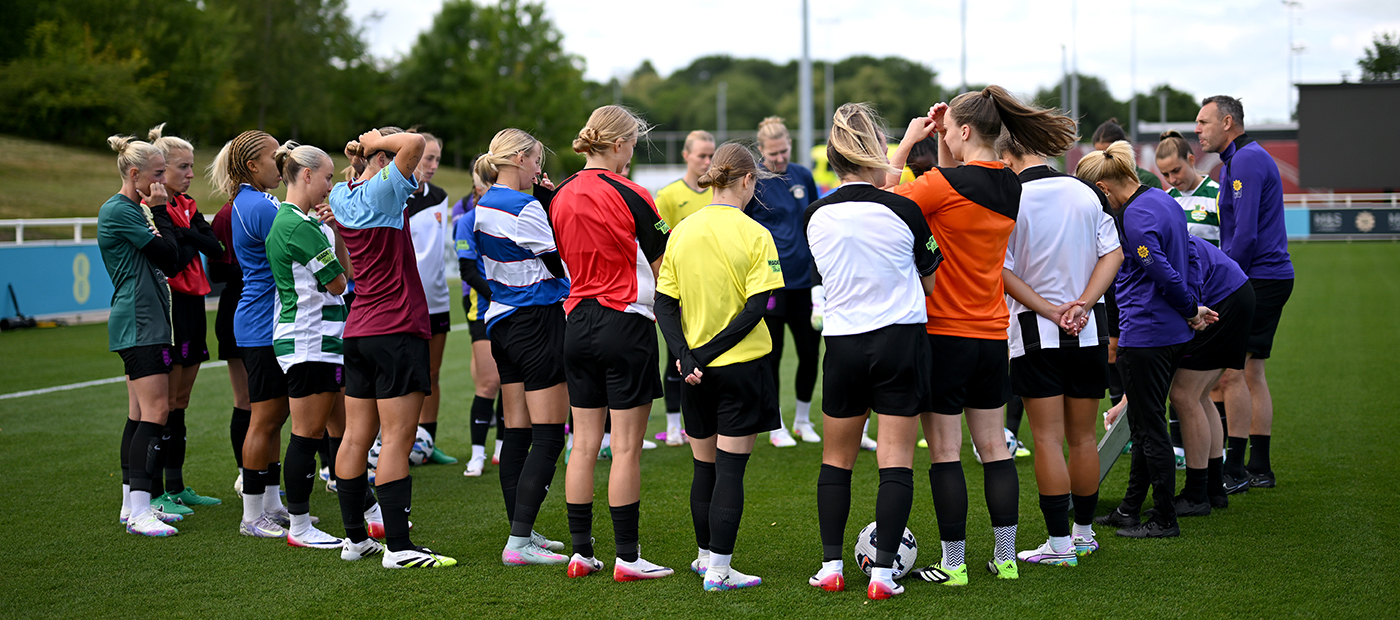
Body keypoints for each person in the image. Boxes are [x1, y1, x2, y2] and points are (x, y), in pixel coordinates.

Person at [884, 86, 1076, 584]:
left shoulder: (941, 187)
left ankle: (954, 566)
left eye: (949, 132)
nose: (943, 137)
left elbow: (881, 201)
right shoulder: (1011, 184)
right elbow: (958, 175)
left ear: (965, 131)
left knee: (946, 453)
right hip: (993, 335)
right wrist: (949, 138)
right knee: (994, 449)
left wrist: (906, 143)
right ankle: (1006, 558)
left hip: (943, 334)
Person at [803, 104, 941, 600]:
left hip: (843, 343)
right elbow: (929, 278)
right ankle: (882, 576)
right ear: (876, 151)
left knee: (836, 460)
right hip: (900, 340)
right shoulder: (905, 208)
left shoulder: (814, 213)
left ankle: (831, 567)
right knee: (895, 460)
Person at [655, 142, 786, 591]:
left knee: (704, 469)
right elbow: (756, 309)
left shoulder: (682, 231)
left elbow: (663, 304)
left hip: (692, 370)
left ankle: (705, 558)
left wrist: (685, 356)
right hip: (740, 368)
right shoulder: (755, 233)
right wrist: (704, 355)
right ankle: (719, 570)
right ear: (748, 180)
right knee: (729, 471)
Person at [551, 105, 673, 581]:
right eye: (634, 144)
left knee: (582, 446)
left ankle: (581, 554)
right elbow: (666, 267)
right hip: (626, 325)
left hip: (577, 325)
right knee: (625, 449)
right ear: (620, 144)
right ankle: (627, 556)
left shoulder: (559, 195)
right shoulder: (633, 193)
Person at [327, 127, 455, 568]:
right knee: (397, 439)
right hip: (397, 329)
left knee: (355, 438)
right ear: (385, 163)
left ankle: (355, 540)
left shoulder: (344, 193)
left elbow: (403, 154)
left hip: (359, 328)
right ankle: (398, 549)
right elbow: (415, 143)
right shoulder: (384, 192)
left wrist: (374, 149)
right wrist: (381, 137)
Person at [996, 131, 1123, 566]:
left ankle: (1058, 545)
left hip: (1036, 335)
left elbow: (1003, 272)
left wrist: (1052, 311)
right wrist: (1083, 303)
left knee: (1047, 439)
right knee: (1083, 438)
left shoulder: (1010, 197)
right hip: (1089, 330)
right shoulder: (1086, 192)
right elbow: (1114, 254)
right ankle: (1082, 535)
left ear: (1008, 156)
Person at [1079, 141, 1216, 539]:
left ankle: (1163, 518)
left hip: (1148, 333)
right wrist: (1191, 309)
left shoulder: (1135, 217)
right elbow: (1188, 258)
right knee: (1142, 423)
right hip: (1168, 331)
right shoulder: (1164, 200)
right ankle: (1130, 509)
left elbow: (1162, 273)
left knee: (1149, 428)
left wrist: (1190, 308)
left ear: (1104, 188)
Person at [472, 128, 571, 566]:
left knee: (517, 431)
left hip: (503, 321)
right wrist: (550, 204)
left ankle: (522, 530)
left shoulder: (484, 203)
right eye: (534, 160)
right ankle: (519, 542)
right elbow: (559, 263)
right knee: (550, 435)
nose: (539, 168)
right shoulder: (525, 206)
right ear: (515, 159)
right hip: (537, 320)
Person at [1195, 95, 1294, 490]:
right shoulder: (1239, 160)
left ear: (1228, 122)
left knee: (1231, 373)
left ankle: (1235, 469)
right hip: (1263, 276)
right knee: (1249, 372)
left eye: (1203, 122)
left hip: (1260, 278)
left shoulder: (1247, 161)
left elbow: (1246, 234)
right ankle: (1257, 467)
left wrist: (1222, 279)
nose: (1197, 130)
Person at [100, 134, 187, 536]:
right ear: (134, 173)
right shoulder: (121, 211)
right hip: (139, 323)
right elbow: (170, 258)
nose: (161, 182)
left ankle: (131, 504)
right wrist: (162, 211)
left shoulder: (132, 209)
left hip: (145, 321)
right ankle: (139, 510)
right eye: (156, 174)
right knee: (156, 412)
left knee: (139, 415)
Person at [265, 142, 351, 549]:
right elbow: (338, 284)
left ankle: (366, 508)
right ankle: (299, 527)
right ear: (306, 175)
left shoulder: (307, 222)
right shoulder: (296, 225)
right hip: (308, 340)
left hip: (322, 340)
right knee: (307, 434)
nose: (330, 186)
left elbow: (343, 275)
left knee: (343, 430)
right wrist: (331, 241)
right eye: (329, 177)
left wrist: (336, 232)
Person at [211, 129, 295, 538]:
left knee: (276, 415)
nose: (279, 162)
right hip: (261, 324)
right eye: (272, 156)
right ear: (251, 165)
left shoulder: (256, 202)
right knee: (262, 418)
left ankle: (272, 503)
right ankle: (251, 516)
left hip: (266, 321)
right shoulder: (258, 204)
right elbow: (298, 243)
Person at [147, 124, 224, 511]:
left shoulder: (188, 205)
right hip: (173, 305)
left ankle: (175, 486)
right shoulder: (153, 209)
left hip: (194, 304)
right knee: (165, 403)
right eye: (183, 167)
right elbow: (174, 255)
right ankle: (157, 491)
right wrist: (187, 235)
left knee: (182, 400)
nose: (190, 174)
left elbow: (214, 246)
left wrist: (188, 233)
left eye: (191, 166)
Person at [748, 116, 823, 447]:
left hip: (804, 281)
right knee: (772, 355)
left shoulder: (803, 175)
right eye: (773, 153)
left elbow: (813, 219)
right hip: (770, 282)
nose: (779, 158)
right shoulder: (754, 181)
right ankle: (775, 424)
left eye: (784, 151)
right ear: (761, 150)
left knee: (809, 353)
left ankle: (803, 421)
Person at [653, 130, 716, 446]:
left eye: (711, 155)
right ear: (686, 156)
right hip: (679, 286)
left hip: (713, 288)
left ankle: (704, 421)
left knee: (708, 351)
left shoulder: (718, 192)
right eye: (702, 155)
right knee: (676, 354)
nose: (707, 161)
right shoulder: (667, 195)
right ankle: (674, 424)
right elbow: (659, 244)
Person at [404, 131, 457, 465]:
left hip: (436, 300)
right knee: (405, 374)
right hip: (404, 302)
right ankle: (397, 442)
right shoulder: (395, 197)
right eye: (427, 157)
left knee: (432, 374)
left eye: (437, 158)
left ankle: (427, 442)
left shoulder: (440, 196)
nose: (433, 164)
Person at [454, 168, 502, 476]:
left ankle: (502, 450)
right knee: (488, 383)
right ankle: (477, 454)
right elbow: (468, 271)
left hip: (515, 308)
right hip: (484, 308)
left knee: (512, 385)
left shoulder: (513, 212)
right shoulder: (466, 220)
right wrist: (499, 295)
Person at [210, 198, 253, 496]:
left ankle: (262, 477)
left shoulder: (270, 204)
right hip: (238, 310)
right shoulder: (228, 214)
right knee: (247, 401)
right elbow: (216, 272)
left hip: (262, 311)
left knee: (270, 403)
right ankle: (246, 476)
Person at [1156, 130, 1221, 244]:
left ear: (1191, 160)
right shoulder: (1165, 199)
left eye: (1176, 170)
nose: (1172, 180)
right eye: (1165, 174)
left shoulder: (1217, 194)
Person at [1090, 119, 1163, 189]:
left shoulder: (1148, 180)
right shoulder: (1094, 182)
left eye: (1109, 154)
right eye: (1099, 154)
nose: (1104, 159)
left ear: (1123, 149)